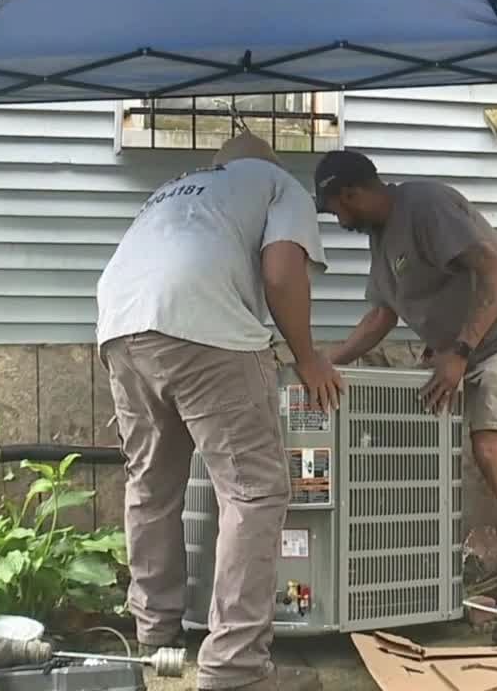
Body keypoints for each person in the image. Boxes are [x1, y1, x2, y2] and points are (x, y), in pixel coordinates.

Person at [96, 131, 342, 691]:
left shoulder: (174, 190)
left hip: (120, 328)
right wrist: (308, 358)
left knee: (151, 484)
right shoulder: (278, 184)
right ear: (268, 163)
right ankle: (235, 666)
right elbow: (281, 273)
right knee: (255, 491)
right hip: (204, 327)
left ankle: (155, 637)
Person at [313, 149, 497, 647]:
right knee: (416, 441)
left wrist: (459, 350)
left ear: (349, 193)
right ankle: (413, 587)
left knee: (490, 447)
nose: (337, 219)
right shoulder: (381, 238)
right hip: (460, 349)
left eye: (335, 209)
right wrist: (327, 359)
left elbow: (495, 271)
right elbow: (381, 316)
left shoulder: (424, 205)